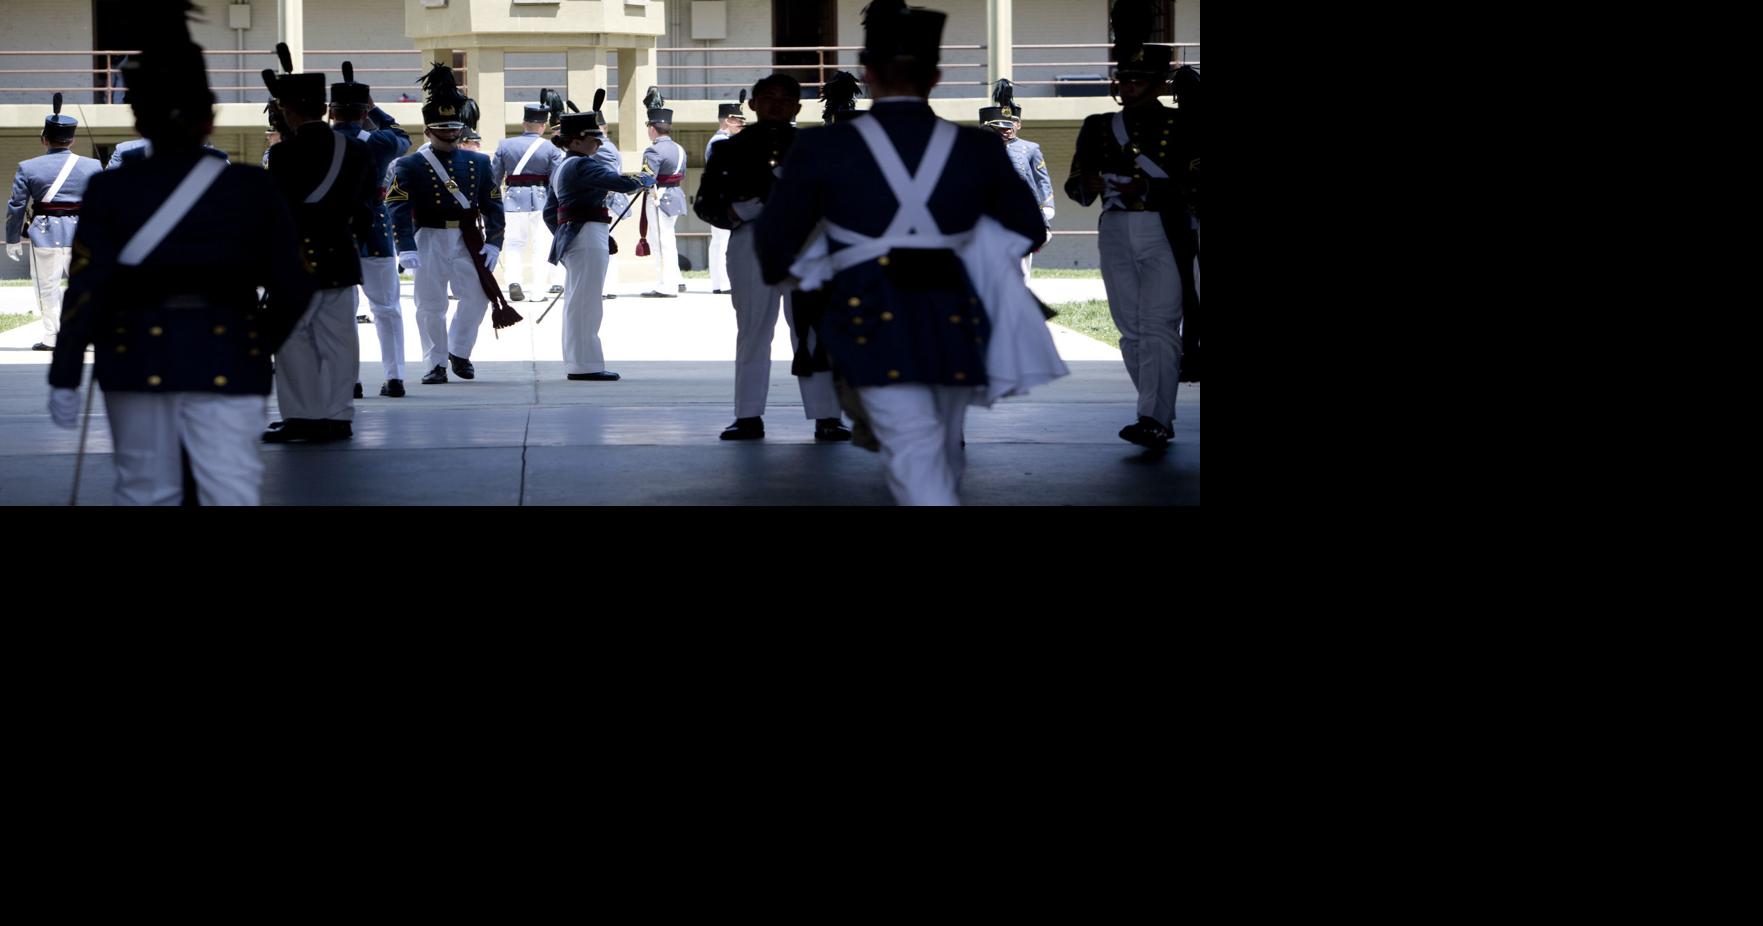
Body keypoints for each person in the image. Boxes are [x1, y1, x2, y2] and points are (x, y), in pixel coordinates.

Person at [757, 0, 1046, 505]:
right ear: (935, 77)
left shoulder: (824, 147)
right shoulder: (977, 147)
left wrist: (803, 277)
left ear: (867, 74)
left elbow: (775, 242)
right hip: (957, 310)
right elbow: (1028, 229)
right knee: (941, 438)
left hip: (865, 309)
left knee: (912, 444)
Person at [46, 1, 315, 505]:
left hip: (134, 358)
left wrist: (64, 371)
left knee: (147, 493)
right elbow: (296, 284)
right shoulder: (251, 187)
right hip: (229, 356)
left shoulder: (110, 191)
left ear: (137, 118)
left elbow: (85, 289)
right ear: (209, 117)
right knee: (229, 490)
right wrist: (255, 339)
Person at [1064, 0, 1197, 448]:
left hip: (1166, 228)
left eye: (1139, 78)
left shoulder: (1184, 125)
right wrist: (1089, 181)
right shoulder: (1098, 125)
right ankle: (1155, 411)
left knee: (1159, 324)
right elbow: (1075, 187)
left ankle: (1153, 417)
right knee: (1130, 329)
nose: (1129, 84)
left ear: (1159, 83)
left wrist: (1151, 188)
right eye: (1124, 77)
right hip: (1115, 227)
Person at [695, 74, 847, 442]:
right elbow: (705, 202)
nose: (776, 104)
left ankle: (827, 415)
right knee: (753, 330)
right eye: (768, 97)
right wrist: (738, 212)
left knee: (812, 330)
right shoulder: (729, 149)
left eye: (785, 98)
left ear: (797, 106)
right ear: (753, 105)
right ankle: (747, 416)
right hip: (753, 244)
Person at [260, 46, 378, 443]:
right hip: (340, 254)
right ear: (325, 108)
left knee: (294, 340)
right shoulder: (358, 149)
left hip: (296, 259)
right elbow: (364, 205)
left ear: (289, 111)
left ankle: (302, 417)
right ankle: (338, 415)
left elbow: (277, 211)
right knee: (341, 339)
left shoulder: (281, 154)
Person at [385, 62, 513, 385]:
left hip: (468, 237)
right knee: (430, 303)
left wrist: (494, 241)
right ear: (428, 130)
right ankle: (435, 362)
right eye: (443, 128)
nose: (451, 133)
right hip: (428, 236)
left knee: (477, 295)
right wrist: (405, 247)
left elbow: (493, 204)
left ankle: (458, 350)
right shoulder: (410, 164)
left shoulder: (479, 162)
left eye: (454, 127)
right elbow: (397, 206)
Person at [542, 104, 654, 382]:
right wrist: (645, 177)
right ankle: (585, 366)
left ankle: (579, 362)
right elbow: (620, 182)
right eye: (594, 138)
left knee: (579, 300)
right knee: (586, 303)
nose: (599, 142)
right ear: (576, 140)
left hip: (579, 233)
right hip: (585, 234)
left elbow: (549, 212)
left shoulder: (563, 165)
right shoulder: (582, 163)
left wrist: (568, 233)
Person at [328, 61, 412, 397]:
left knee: (343, 311)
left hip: (334, 232)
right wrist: (377, 111)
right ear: (365, 111)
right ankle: (395, 378)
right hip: (374, 228)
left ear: (331, 111)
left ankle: (351, 379)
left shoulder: (320, 141)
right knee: (387, 308)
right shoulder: (380, 142)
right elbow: (403, 136)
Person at [6, 94, 103, 352]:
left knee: (46, 289)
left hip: (45, 235)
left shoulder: (27, 167)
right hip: (82, 236)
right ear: (72, 139)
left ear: (44, 140)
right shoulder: (93, 165)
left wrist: (13, 238)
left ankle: (51, 338)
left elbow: (16, 206)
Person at [493, 95, 565, 304]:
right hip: (542, 201)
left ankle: (513, 281)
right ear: (543, 126)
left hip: (513, 200)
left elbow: (494, 179)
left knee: (514, 244)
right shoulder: (551, 148)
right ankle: (538, 291)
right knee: (540, 246)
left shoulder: (505, 145)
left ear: (524, 123)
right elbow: (556, 180)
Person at [981, 79, 1054, 279]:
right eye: (1002, 126)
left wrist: (1047, 207)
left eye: (1011, 124)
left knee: (1021, 269)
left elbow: (1042, 180)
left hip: (1022, 211)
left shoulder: (1030, 148)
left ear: (1018, 124)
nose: (1007, 129)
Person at [638, 88, 687, 297]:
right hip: (675, 196)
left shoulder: (654, 150)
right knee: (669, 239)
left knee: (661, 241)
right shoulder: (679, 148)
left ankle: (666, 285)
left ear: (652, 128)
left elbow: (646, 178)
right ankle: (675, 280)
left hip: (659, 197)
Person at [704, 91, 746, 295]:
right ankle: (722, 282)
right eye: (739, 120)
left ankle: (721, 282)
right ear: (728, 121)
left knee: (723, 241)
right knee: (722, 241)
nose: (741, 124)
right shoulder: (718, 143)